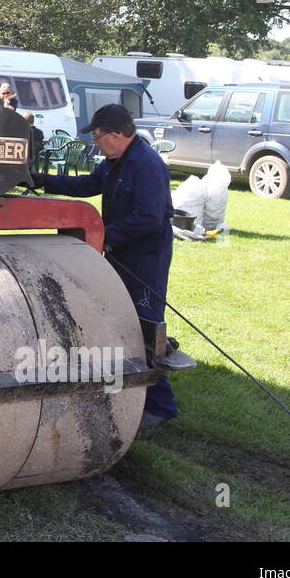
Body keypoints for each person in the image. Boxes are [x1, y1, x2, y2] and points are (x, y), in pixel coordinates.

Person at [28, 103, 178, 428]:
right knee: (119, 317)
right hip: (120, 250)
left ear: (116, 135)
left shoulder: (146, 164)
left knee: (145, 324)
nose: (95, 144)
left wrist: (103, 235)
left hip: (145, 257)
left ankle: (161, 407)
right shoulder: (114, 161)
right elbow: (86, 185)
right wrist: (40, 180)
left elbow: (149, 218)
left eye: (97, 137)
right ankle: (128, 386)